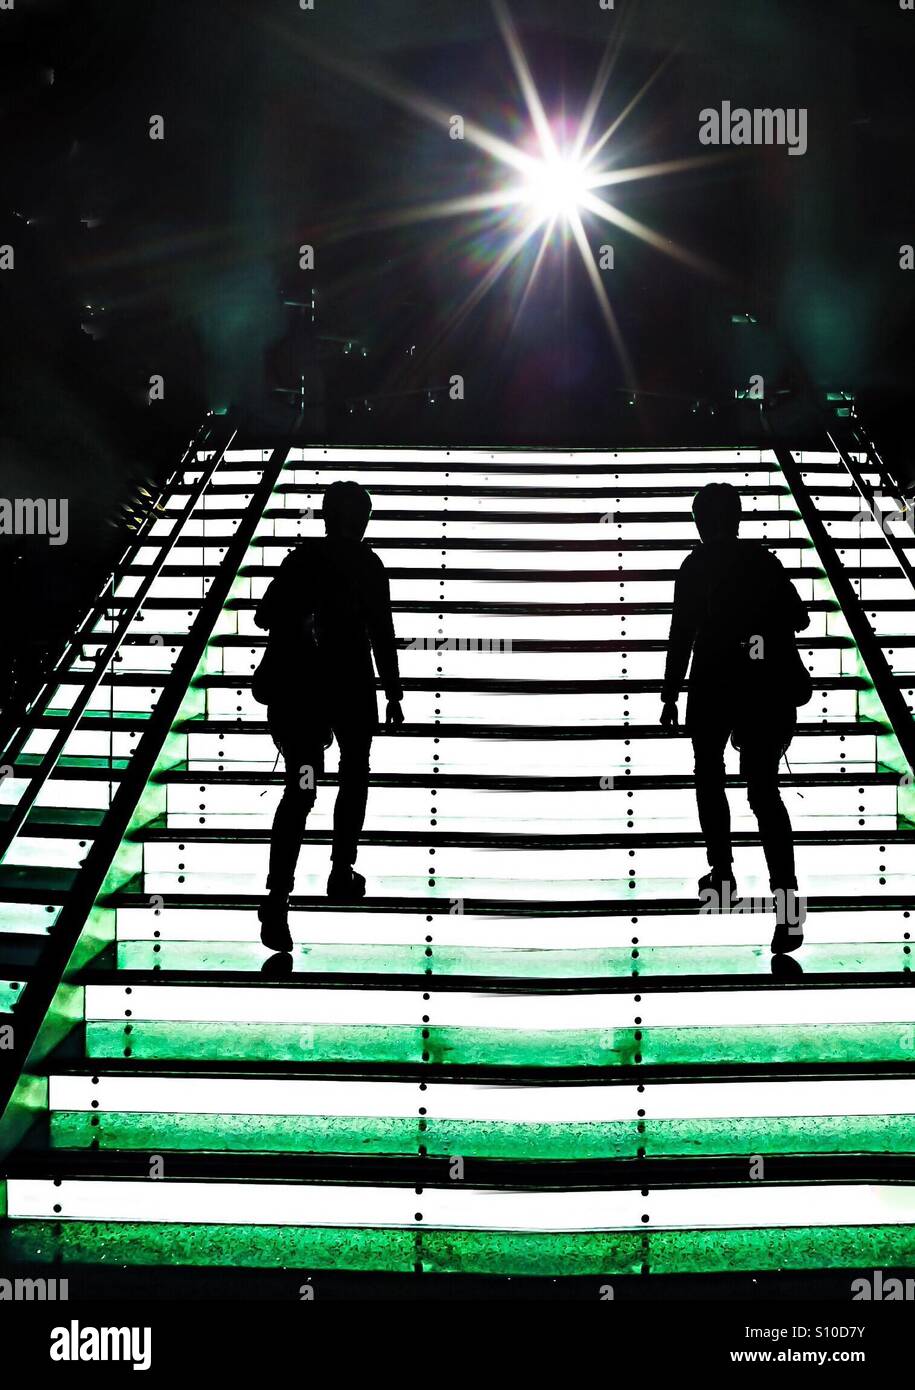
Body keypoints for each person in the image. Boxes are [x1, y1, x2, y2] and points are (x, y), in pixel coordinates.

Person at [253, 480, 404, 951]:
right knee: (355, 772)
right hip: (352, 688)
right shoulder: (368, 564)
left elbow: (263, 616)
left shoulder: (302, 560)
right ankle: (341, 868)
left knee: (300, 790)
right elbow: (382, 629)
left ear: (324, 517)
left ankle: (278, 897)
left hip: (301, 693)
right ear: (361, 520)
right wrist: (394, 691)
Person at [660, 482, 810, 951]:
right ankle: (788, 910)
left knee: (709, 773)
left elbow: (680, 632)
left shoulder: (695, 566)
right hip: (764, 688)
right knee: (765, 795)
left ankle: (722, 870)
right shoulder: (761, 561)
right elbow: (800, 617)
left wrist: (669, 693)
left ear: (701, 522)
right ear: (738, 519)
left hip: (711, 685)